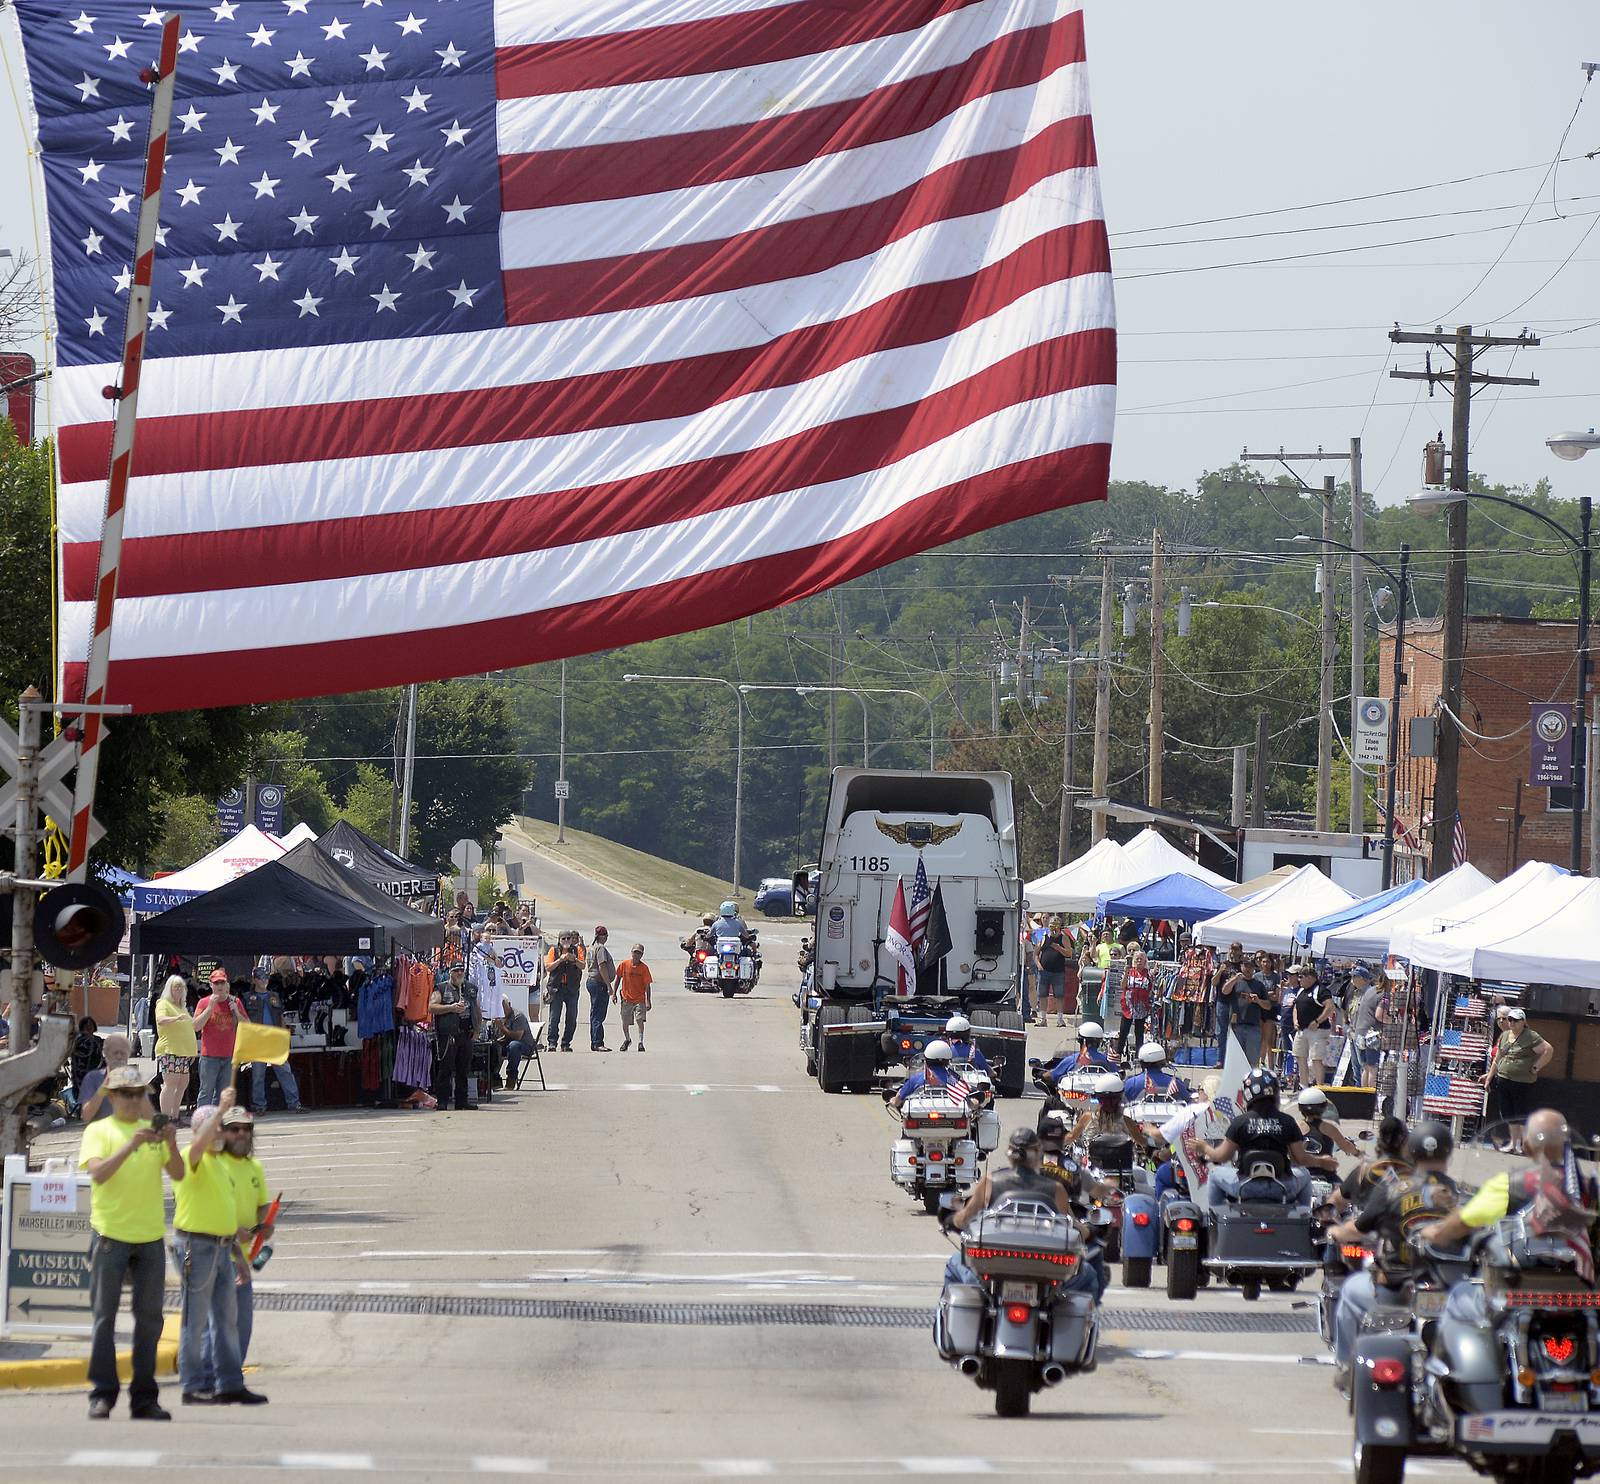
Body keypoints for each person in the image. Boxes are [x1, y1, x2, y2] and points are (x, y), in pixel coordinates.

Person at [80, 1065, 186, 1420]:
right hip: (110, 1234)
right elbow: (98, 1173)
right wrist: (131, 1145)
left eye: (139, 1093)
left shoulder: (150, 1131)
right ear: (112, 1097)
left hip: (149, 1236)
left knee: (149, 1320)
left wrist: (170, 1143)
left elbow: (179, 1174)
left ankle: (144, 1397)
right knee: (103, 1318)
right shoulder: (100, 1131)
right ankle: (102, 1393)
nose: (133, 1100)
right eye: (126, 1094)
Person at [1327, 1121, 1461, 1372]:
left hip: (1397, 1286)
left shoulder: (1391, 1187)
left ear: (1413, 1151)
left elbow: (1357, 1228)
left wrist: (1335, 1231)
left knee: (1348, 1293)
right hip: (1446, 1286)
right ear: (1448, 1153)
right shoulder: (1455, 1194)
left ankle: (1345, 1366)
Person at [1422, 1109, 1597, 1290]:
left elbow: (1464, 1221)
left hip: (1518, 1290)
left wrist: (1437, 1233)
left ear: (1528, 1147)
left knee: (1458, 1303)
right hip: (1582, 1291)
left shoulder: (1510, 1184)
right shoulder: (1587, 1188)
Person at [174, 1089, 266, 1406]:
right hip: (196, 1246)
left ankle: (229, 1383)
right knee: (195, 1320)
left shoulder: (221, 1164)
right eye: (215, 1128)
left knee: (226, 1319)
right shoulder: (192, 1157)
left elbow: (226, 1216)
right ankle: (193, 1384)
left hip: (223, 1247)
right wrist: (221, 1109)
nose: (220, 1133)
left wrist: (240, 1258)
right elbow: (198, 1144)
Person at [1201, 1067, 1338, 1207]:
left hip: (1245, 1188)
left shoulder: (1240, 1122)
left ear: (1248, 1093)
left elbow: (1221, 1156)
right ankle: (1304, 1217)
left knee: (1214, 1174)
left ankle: (1216, 1222)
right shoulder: (1287, 1121)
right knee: (1305, 1174)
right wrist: (1322, 1162)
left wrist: (1204, 1147)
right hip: (1281, 1188)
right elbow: (1301, 1159)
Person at [203, 1106, 271, 1386]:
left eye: (246, 1129)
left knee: (242, 1324)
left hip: (243, 1257)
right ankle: (208, 1379)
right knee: (218, 1323)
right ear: (224, 1133)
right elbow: (206, 1208)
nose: (241, 1134)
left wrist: (264, 1224)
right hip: (216, 1254)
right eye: (234, 1129)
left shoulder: (254, 1167)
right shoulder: (213, 1164)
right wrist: (233, 1230)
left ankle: (231, 1378)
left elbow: (262, 1205)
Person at [1485, 1006, 1553, 1152]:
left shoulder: (1531, 1036)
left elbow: (1548, 1050)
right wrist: (1489, 1077)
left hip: (1522, 1082)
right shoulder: (1504, 1035)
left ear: (1523, 1021)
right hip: (1504, 1079)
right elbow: (1497, 1059)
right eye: (1510, 1020)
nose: (1511, 1023)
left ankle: (1523, 1145)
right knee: (1508, 1114)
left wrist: (1536, 1067)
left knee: (1521, 1114)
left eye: (1515, 1020)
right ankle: (1513, 1143)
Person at [239, 972, 304, 1115]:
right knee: (258, 1075)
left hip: (274, 1038)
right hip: (257, 1040)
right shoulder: (247, 997)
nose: (264, 980)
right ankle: (259, 1106)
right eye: (260, 978)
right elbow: (242, 1020)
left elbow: (281, 1016)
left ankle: (294, 1103)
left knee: (285, 1072)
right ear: (254, 980)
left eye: (266, 978)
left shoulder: (274, 996)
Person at [193, 971, 250, 1108]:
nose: (219, 986)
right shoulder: (204, 1002)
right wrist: (209, 1009)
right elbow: (196, 1026)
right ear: (211, 985)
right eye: (216, 983)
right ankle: (203, 1120)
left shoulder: (235, 1001)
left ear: (227, 985)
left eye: (222, 982)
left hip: (229, 1055)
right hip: (209, 1056)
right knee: (206, 1090)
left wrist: (236, 1011)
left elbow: (247, 1025)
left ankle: (220, 1120)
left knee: (224, 1092)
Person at [429, 965, 477, 1111]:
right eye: (456, 970)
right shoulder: (441, 988)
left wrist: (477, 1029)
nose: (460, 973)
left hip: (466, 1034)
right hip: (448, 1034)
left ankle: (462, 1101)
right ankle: (442, 1101)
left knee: (464, 1069)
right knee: (446, 1069)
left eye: (462, 970)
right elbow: (432, 1007)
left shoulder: (470, 988)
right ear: (450, 972)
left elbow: (477, 1008)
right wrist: (451, 1007)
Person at [1067, 1074, 1156, 1151]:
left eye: (1114, 1099)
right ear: (1098, 1098)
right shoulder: (1088, 1117)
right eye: (1104, 1100)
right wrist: (1055, 1141)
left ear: (1120, 1098)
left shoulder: (1127, 1121)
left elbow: (1143, 1142)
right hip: (1092, 1166)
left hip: (1121, 1165)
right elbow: (1071, 1137)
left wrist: (1155, 1141)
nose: (1109, 1103)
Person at [154, 973, 198, 1122]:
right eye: (176, 987)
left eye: (181, 987)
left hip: (183, 1052)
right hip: (169, 1050)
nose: (179, 989)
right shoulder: (163, 1003)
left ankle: (175, 1116)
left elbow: (189, 1029)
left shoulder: (182, 1007)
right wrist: (175, 1018)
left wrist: (191, 1051)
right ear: (169, 988)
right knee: (170, 1083)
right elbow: (160, 1020)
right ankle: (165, 1118)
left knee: (182, 1083)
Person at [1289, 964, 1335, 1087]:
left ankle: (1319, 1086)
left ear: (1310, 977)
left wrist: (1317, 1021)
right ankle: (1303, 1085)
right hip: (1301, 1030)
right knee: (1300, 1057)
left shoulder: (1320, 990)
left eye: (1301, 977)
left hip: (1317, 1031)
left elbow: (1330, 1007)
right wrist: (1295, 1021)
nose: (1299, 980)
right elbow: (1295, 1007)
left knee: (1316, 1059)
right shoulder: (1300, 991)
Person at [888, 1040, 966, 1108]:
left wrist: (892, 1100)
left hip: (919, 1117)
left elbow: (897, 1102)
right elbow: (967, 1100)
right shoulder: (955, 1079)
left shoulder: (916, 1079)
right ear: (947, 1060)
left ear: (926, 1059)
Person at [1347, 964, 1387, 1089]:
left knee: (1365, 1067)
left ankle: (1363, 1095)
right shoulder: (1383, 995)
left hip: (1359, 1032)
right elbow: (1379, 1015)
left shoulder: (1370, 991)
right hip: (1372, 1033)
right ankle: (1370, 1097)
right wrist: (1393, 1021)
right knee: (1373, 1068)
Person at [544, 931, 584, 1052]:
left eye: (568, 938)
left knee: (571, 1017)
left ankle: (566, 1042)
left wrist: (574, 959)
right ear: (559, 940)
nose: (566, 940)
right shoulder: (553, 950)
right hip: (557, 988)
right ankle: (552, 1042)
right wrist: (559, 960)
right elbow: (548, 967)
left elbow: (583, 965)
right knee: (554, 1017)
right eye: (563, 938)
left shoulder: (577, 950)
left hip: (572, 988)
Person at [78, 1032, 132, 1122]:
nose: (119, 1057)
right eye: (115, 1053)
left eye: (123, 1053)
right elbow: (86, 1116)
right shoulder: (93, 1078)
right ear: (105, 1054)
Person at [1295, 1087, 1361, 1158]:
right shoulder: (1327, 1128)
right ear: (1323, 1108)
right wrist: (1358, 1153)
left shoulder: (1296, 1125)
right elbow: (1345, 1145)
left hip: (1297, 1166)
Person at [1044, 1021, 1116, 1087]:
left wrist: (1041, 1074)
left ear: (1080, 1041)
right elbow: (1116, 1075)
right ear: (1100, 1041)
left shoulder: (1073, 1059)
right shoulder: (1107, 1060)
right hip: (1103, 1096)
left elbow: (1053, 1075)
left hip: (1076, 1097)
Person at [1123, 1042, 1194, 1105]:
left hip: (1139, 1119)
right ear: (1163, 1062)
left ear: (1141, 1062)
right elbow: (1189, 1106)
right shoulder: (1176, 1083)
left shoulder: (1131, 1083)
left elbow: (1122, 1106)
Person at [1115, 950, 1154, 1061]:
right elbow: (1122, 986)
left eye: (1141, 959)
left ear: (1145, 961)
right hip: (1128, 1005)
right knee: (1123, 1030)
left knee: (1139, 1032)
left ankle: (1139, 1055)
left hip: (1141, 1006)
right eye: (1137, 959)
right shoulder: (1129, 971)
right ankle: (1118, 1053)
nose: (1139, 961)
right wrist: (1126, 974)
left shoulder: (1148, 973)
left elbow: (1151, 988)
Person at [614, 945, 653, 1053]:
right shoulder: (624, 964)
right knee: (625, 1021)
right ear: (631, 953)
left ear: (642, 955)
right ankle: (627, 1039)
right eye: (635, 952)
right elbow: (618, 978)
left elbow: (647, 985)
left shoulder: (644, 968)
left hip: (639, 999)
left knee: (639, 1020)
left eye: (639, 953)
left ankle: (640, 1042)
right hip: (626, 998)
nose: (636, 955)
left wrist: (648, 1001)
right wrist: (614, 993)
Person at [586, 925, 616, 1053]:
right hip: (599, 983)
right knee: (598, 1014)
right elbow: (602, 966)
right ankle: (598, 1042)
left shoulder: (591, 947)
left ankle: (594, 1042)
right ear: (603, 936)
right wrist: (609, 985)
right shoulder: (601, 948)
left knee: (594, 1013)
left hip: (592, 982)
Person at [1211, 942, 1246, 1048]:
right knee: (1221, 1031)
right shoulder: (1223, 964)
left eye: (1236, 949)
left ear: (1240, 951)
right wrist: (1220, 971)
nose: (1233, 951)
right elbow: (1213, 982)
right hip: (1222, 1001)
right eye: (1232, 949)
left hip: (1237, 1002)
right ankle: (1220, 1060)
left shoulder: (1243, 966)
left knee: (1236, 1031)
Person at [1037, 920, 1071, 1029]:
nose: (1053, 928)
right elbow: (1035, 953)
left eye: (1055, 925)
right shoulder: (1044, 937)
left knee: (1059, 995)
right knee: (1042, 994)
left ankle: (1060, 1019)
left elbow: (1069, 953)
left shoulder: (1063, 937)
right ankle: (1043, 1019)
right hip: (1044, 970)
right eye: (1052, 925)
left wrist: (1058, 948)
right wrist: (1038, 965)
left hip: (1058, 971)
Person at [498, 996, 536, 1085]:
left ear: (509, 1005)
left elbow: (517, 1036)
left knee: (514, 1045)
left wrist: (502, 1027)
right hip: (507, 1043)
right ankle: (494, 1077)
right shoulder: (499, 1016)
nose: (502, 1012)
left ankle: (511, 1077)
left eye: (504, 1008)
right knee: (493, 1046)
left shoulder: (518, 1016)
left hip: (525, 1045)